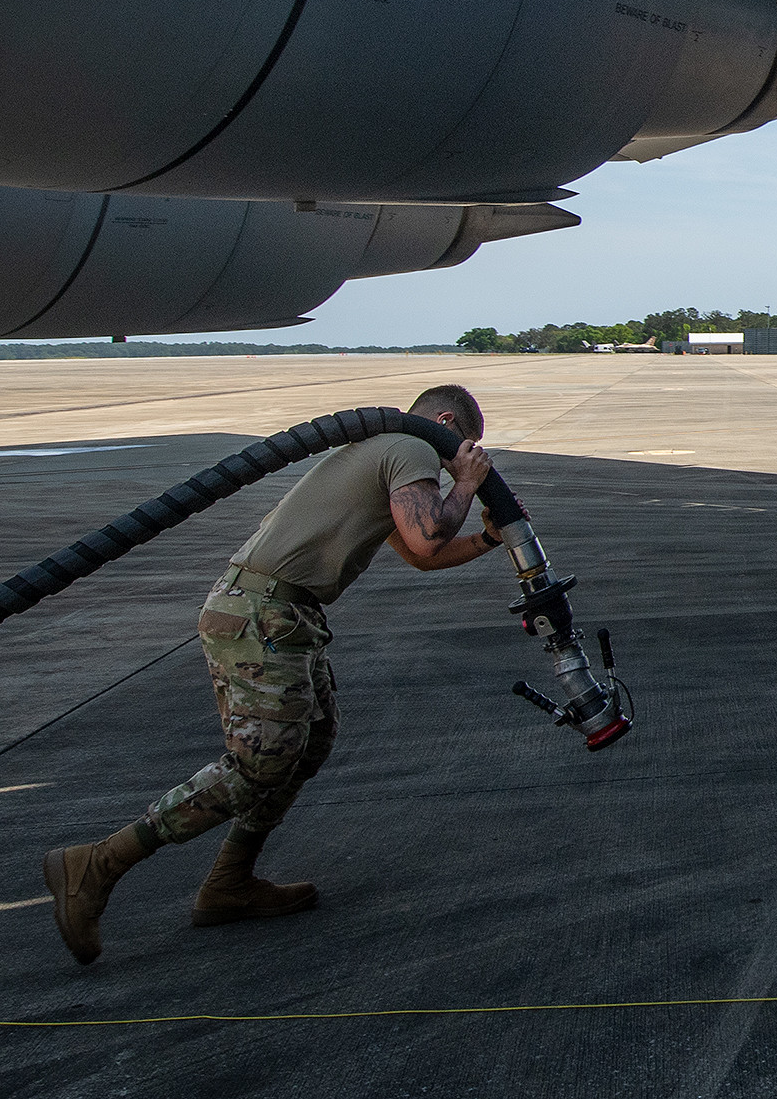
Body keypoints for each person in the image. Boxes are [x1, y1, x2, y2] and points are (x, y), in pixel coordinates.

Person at [40, 385, 504, 962]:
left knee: (308, 743)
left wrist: (487, 537)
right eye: (461, 446)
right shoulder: (410, 447)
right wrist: (463, 483)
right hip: (261, 613)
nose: (456, 458)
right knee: (262, 759)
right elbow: (428, 532)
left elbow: (419, 555)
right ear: (442, 422)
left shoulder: (382, 453)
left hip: (282, 613)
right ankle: (98, 863)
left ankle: (230, 882)